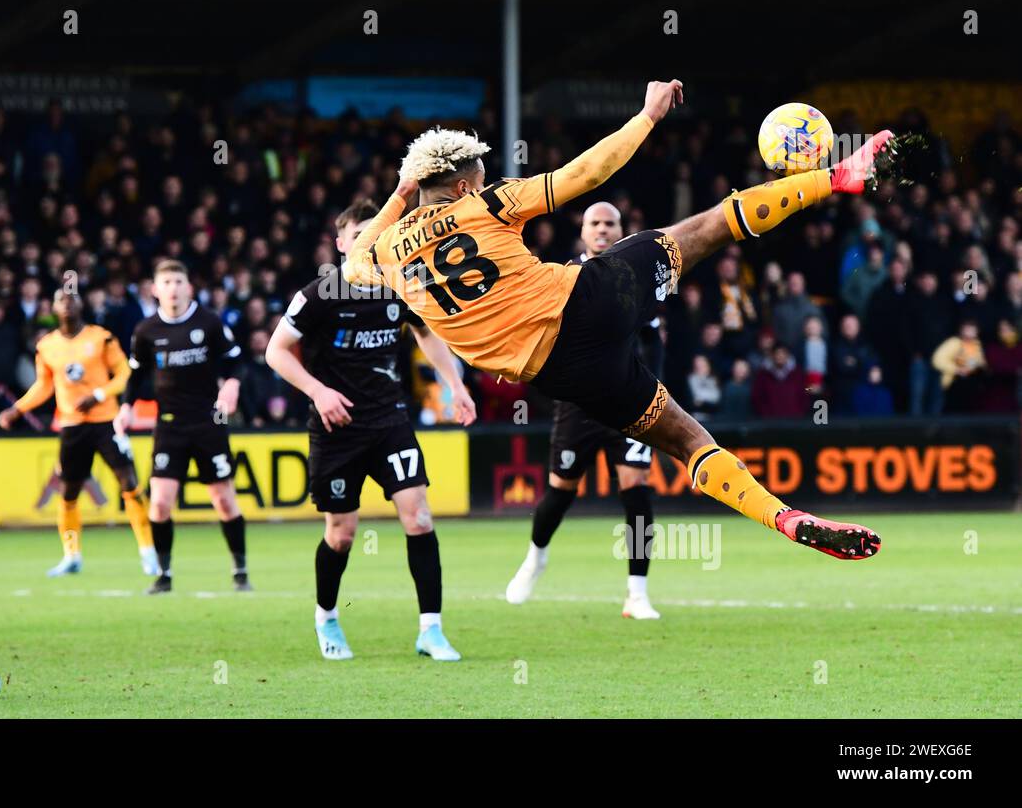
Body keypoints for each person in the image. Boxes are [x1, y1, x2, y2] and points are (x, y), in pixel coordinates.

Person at [345, 79, 888, 561]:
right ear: (465, 186)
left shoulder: (387, 253)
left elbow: (352, 263)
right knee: (702, 231)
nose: (487, 182)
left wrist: (401, 192)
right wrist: (648, 115)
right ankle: (839, 177)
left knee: (685, 441)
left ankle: (784, 518)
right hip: (585, 303)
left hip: (562, 376)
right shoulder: (487, 205)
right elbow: (587, 173)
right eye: (481, 176)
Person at [266, 199, 477, 661]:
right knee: (341, 533)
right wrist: (318, 392)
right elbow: (276, 352)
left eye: (376, 232)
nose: (368, 240)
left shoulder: (402, 285)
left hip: (389, 420)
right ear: (341, 244)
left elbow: (426, 334)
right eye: (358, 234)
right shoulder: (319, 294)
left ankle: (431, 630)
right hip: (336, 427)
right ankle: (326, 616)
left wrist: (455, 386)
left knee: (419, 516)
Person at [504, 202, 664, 619]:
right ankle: (536, 557)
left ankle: (637, 593)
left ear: (621, 229)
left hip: (627, 400)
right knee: (561, 489)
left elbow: (654, 342)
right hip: (577, 406)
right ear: (583, 230)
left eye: (611, 223)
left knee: (637, 489)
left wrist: (654, 389)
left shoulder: (634, 278)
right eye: (595, 223)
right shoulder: (564, 277)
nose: (603, 230)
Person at [0, 290, 153, 578]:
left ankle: (149, 553)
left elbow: (123, 374)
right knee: (68, 492)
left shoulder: (101, 337)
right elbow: (44, 386)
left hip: (105, 421)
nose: (67, 304)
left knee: (129, 484)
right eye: (61, 300)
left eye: (72, 299)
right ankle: (71, 555)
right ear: (54, 308)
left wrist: (98, 395)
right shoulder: (47, 345)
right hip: (72, 426)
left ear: (81, 305)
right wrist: (17, 409)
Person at [116, 260, 249, 594]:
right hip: (169, 425)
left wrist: (231, 384)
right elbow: (136, 374)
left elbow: (236, 361)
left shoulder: (209, 322)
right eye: (167, 282)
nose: (173, 288)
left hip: (208, 422)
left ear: (189, 287)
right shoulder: (146, 331)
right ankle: (164, 574)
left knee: (223, 500)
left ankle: (240, 570)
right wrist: (126, 407)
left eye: (179, 281)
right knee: (159, 503)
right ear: (155, 290)